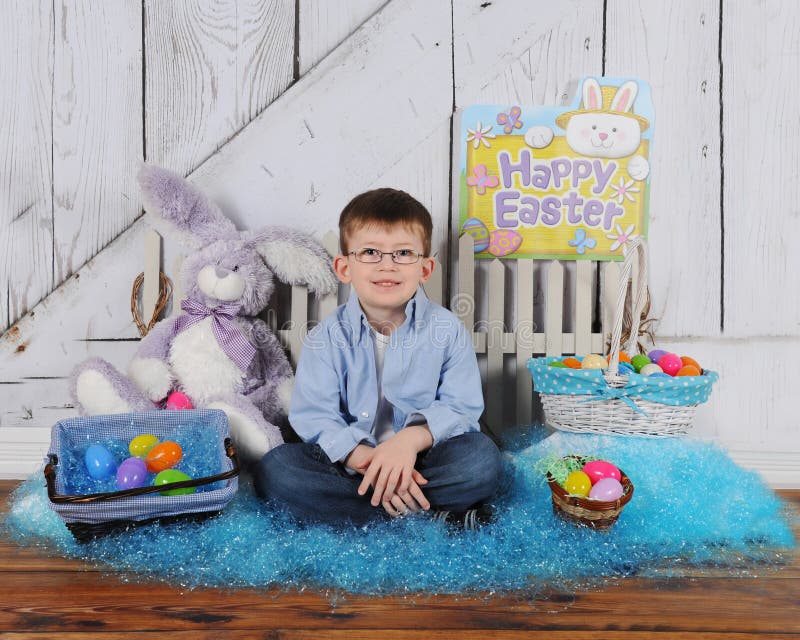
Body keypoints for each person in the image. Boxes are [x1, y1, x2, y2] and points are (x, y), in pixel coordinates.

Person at [254, 188, 502, 527]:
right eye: (370, 252)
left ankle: (366, 513)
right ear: (344, 267)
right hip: (353, 466)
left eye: (403, 253)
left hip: (423, 461)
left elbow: (462, 408)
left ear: (425, 268)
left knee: (480, 461)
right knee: (277, 470)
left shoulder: (446, 329)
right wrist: (363, 458)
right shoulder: (326, 338)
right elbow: (315, 416)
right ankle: (423, 513)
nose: (387, 265)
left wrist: (407, 444)